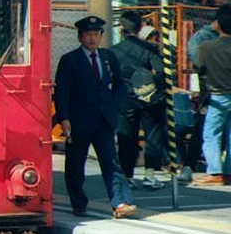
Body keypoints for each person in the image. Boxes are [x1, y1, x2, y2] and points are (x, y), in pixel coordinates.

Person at [54, 15, 138, 218]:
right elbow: (62, 91)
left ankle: (120, 202)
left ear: (101, 36)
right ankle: (78, 203)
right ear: (80, 37)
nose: (92, 38)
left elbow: (120, 85)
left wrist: (115, 106)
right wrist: (64, 117)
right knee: (75, 165)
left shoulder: (108, 57)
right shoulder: (70, 60)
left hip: (104, 119)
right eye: (88, 34)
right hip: (79, 120)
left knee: (111, 162)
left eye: (96, 34)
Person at [110, 11, 166, 190]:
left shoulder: (113, 51)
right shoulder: (149, 49)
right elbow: (161, 72)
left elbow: (108, 77)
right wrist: (153, 88)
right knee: (153, 134)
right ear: (140, 28)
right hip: (147, 96)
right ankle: (150, 175)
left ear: (121, 29)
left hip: (124, 98)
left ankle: (128, 176)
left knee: (126, 136)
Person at [192, 3, 231, 185]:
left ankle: (215, 171)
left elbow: (199, 67)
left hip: (218, 95)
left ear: (219, 24)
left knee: (211, 134)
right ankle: (229, 171)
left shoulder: (207, 47)